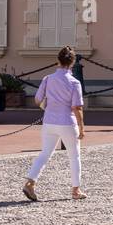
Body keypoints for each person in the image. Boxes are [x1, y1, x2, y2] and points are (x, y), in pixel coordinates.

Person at [23, 47, 86, 202]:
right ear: (72, 63)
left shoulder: (48, 79)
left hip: (49, 121)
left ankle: (30, 182)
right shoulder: (74, 82)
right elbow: (77, 107)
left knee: (45, 153)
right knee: (74, 156)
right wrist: (82, 127)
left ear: (58, 61)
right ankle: (75, 189)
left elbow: (37, 99)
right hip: (67, 121)